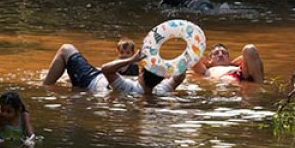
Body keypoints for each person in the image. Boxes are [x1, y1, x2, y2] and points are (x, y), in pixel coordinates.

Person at [43, 43, 185, 97]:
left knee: (66, 49)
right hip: (100, 80)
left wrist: (131, 60)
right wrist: (179, 63)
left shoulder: (129, 87)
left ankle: (45, 87)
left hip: (90, 80)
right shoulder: (160, 90)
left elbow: (106, 69)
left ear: (141, 73)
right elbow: (179, 78)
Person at [192, 43, 265, 84]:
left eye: (224, 53)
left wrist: (232, 63)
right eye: (216, 53)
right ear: (210, 59)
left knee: (250, 48)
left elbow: (250, 56)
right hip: (227, 78)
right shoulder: (206, 70)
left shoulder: (238, 66)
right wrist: (208, 63)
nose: (220, 55)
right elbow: (194, 58)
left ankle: (260, 85)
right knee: (227, 79)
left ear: (229, 58)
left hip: (243, 73)